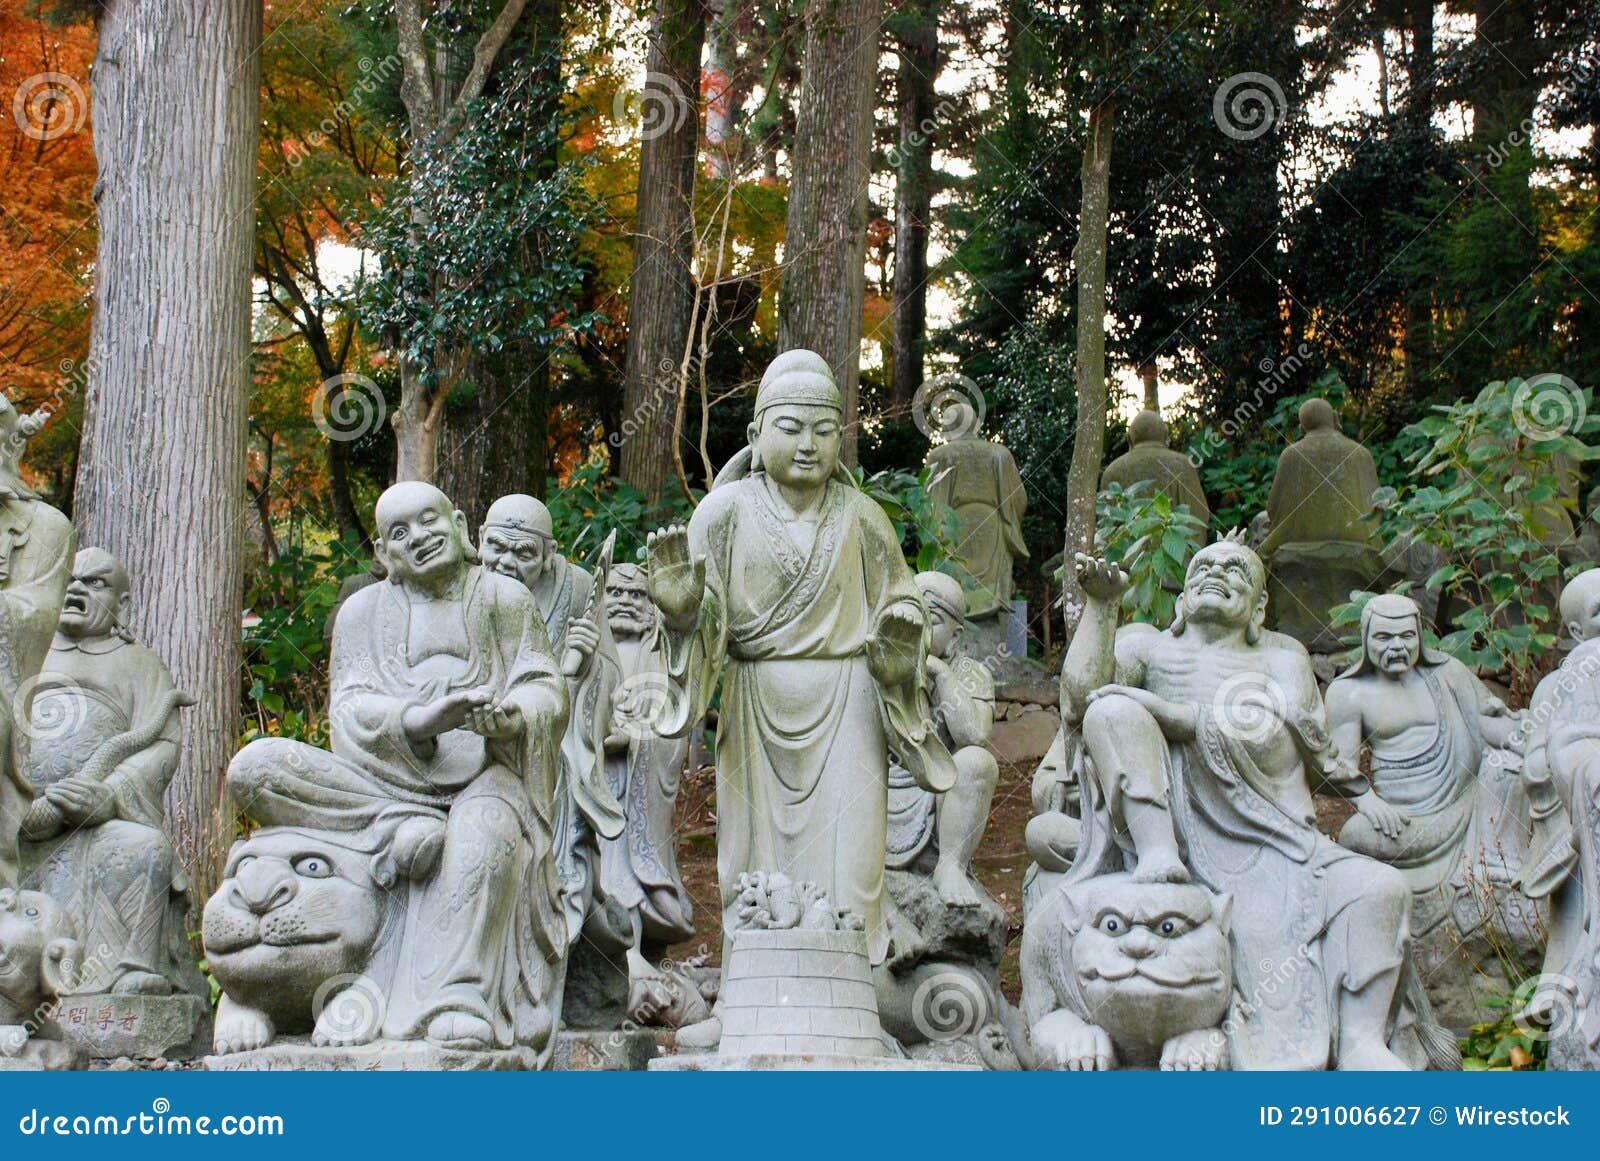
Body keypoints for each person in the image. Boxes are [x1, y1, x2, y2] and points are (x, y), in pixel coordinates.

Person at [645, 351, 956, 1048]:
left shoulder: (863, 515)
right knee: (751, 862)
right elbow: (706, 621)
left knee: (851, 865)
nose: (810, 444)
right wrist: (683, 613)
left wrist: (901, 640)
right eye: (791, 427)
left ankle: (853, 1009)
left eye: (825, 429)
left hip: (847, 700)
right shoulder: (722, 514)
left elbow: (899, 596)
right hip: (757, 703)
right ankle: (749, 1008)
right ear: (757, 432)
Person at [1060, 537, 1450, 1069]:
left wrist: (1175, 715)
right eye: (1203, 567)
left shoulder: (1281, 657)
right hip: (1168, 837)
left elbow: (1277, 737)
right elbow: (1083, 700)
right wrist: (1102, 610)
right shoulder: (1145, 646)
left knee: (1379, 888)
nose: (1216, 572)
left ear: (1259, 608)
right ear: (1181, 599)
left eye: (1236, 570)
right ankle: (1159, 858)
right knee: (1112, 711)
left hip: (1271, 836)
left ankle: (1361, 1041)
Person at [227, 482, 569, 1052]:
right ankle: (402, 832)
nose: (420, 538)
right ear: (385, 555)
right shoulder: (363, 612)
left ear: (460, 525)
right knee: (255, 768)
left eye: (429, 521)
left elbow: (545, 687)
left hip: (483, 779)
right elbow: (350, 708)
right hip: (377, 788)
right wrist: (418, 719)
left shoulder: (503, 599)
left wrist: (509, 717)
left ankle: (455, 996)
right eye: (399, 533)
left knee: (484, 830)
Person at [17, 549, 200, 997]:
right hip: (18, 816)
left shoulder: (139, 664)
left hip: (93, 824)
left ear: (121, 603)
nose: (76, 589)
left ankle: (121, 972)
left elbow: (160, 746)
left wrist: (109, 795)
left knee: (142, 846)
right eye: (69, 579)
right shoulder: (23, 651)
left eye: (94, 583)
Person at [478, 494, 624, 939]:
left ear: (548, 555)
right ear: (479, 540)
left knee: (562, 796)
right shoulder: (465, 589)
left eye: (524, 553)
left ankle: (552, 929)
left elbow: (612, 680)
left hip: (553, 750)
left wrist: (584, 665)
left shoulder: (577, 587)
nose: (506, 562)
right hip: (481, 741)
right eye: (497, 547)